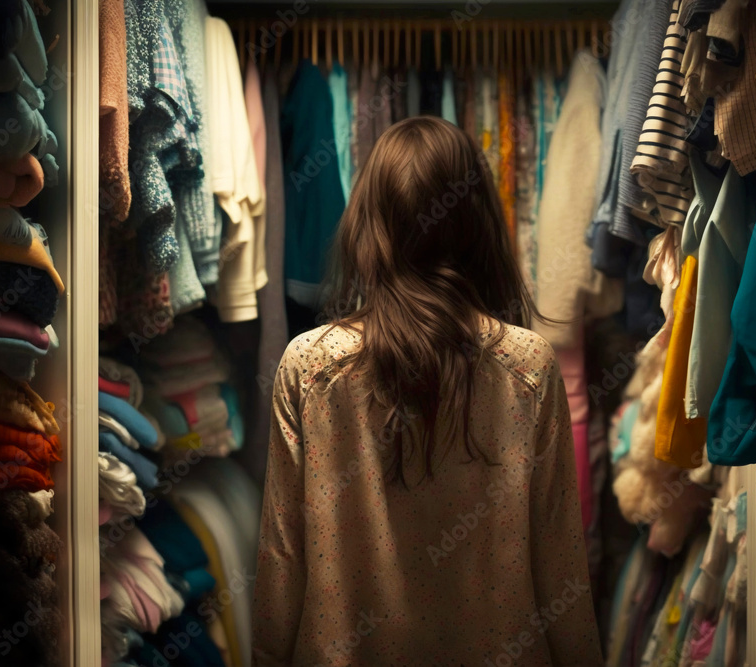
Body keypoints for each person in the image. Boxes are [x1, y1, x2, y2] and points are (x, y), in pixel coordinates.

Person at [252, 116, 602, 666]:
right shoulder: (527, 365)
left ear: (368, 223)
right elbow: (560, 561)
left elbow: (282, 556)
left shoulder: (310, 364)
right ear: (478, 223)